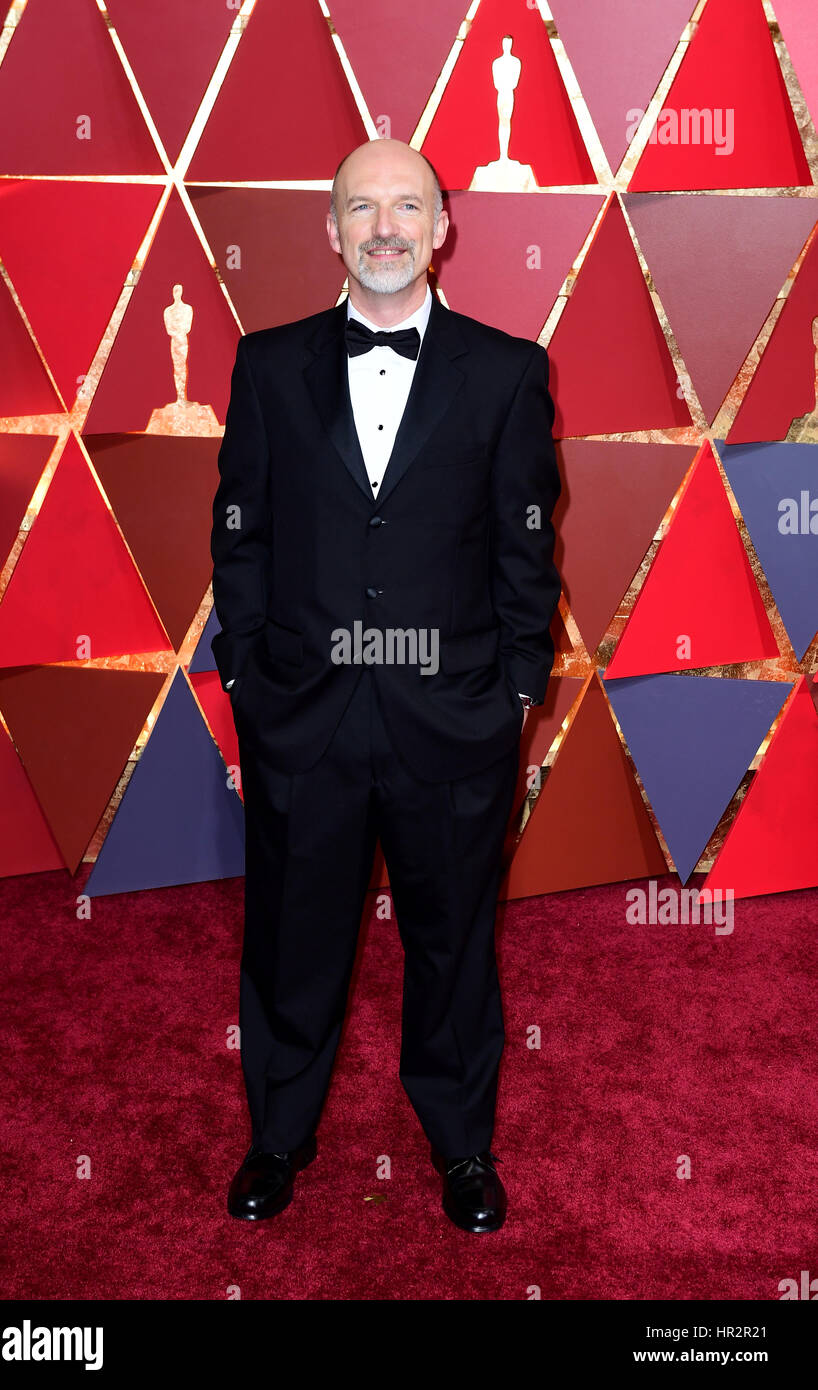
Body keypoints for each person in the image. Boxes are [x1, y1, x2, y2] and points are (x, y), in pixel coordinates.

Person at [209, 137, 561, 1233]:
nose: (384, 228)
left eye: (405, 206)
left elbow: (524, 544)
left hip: (449, 716)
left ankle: (459, 1146)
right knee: (288, 934)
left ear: (442, 225)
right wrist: (247, 672)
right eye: (360, 208)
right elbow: (240, 533)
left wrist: (510, 687)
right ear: (330, 229)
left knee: (451, 938)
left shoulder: (506, 371)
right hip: (301, 717)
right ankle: (277, 1133)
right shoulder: (265, 365)